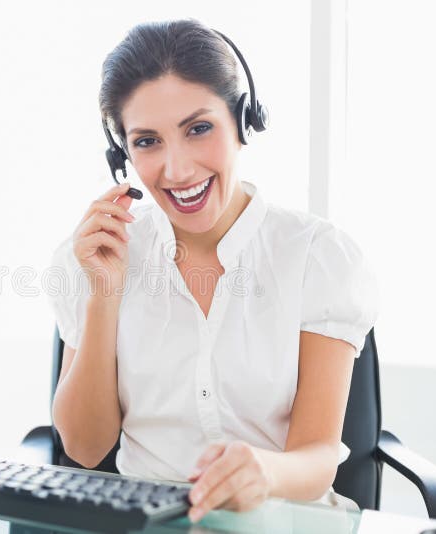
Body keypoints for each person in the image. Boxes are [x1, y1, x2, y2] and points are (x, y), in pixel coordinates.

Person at [47, 19, 377, 523]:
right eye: (147, 141)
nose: (177, 170)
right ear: (122, 153)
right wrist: (104, 294)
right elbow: (85, 449)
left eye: (198, 129)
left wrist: (265, 473)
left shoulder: (316, 257)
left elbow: (317, 458)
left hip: (284, 519)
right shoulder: (100, 254)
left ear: (243, 122)